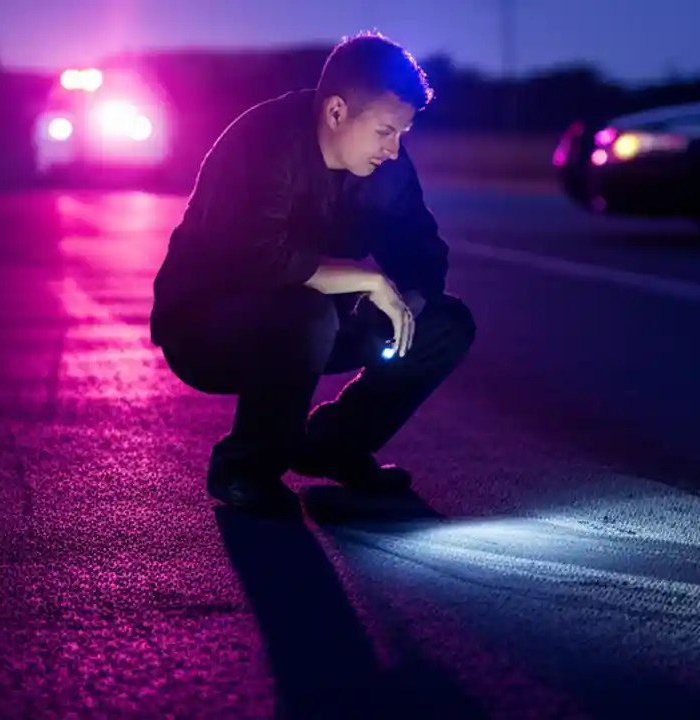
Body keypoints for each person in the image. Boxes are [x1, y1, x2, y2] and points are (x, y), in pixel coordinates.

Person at [149, 31, 476, 511]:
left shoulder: (388, 168)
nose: (392, 149)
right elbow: (255, 259)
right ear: (337, 111)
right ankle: (245, 467)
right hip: (208, 328)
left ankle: (334, 445)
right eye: (386, 132)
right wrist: (365, 280)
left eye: (402, 135)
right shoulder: (262, 142)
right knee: (306, 313)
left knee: (446, 324)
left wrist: (413, 297)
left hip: (314, 320)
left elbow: (421, 250)